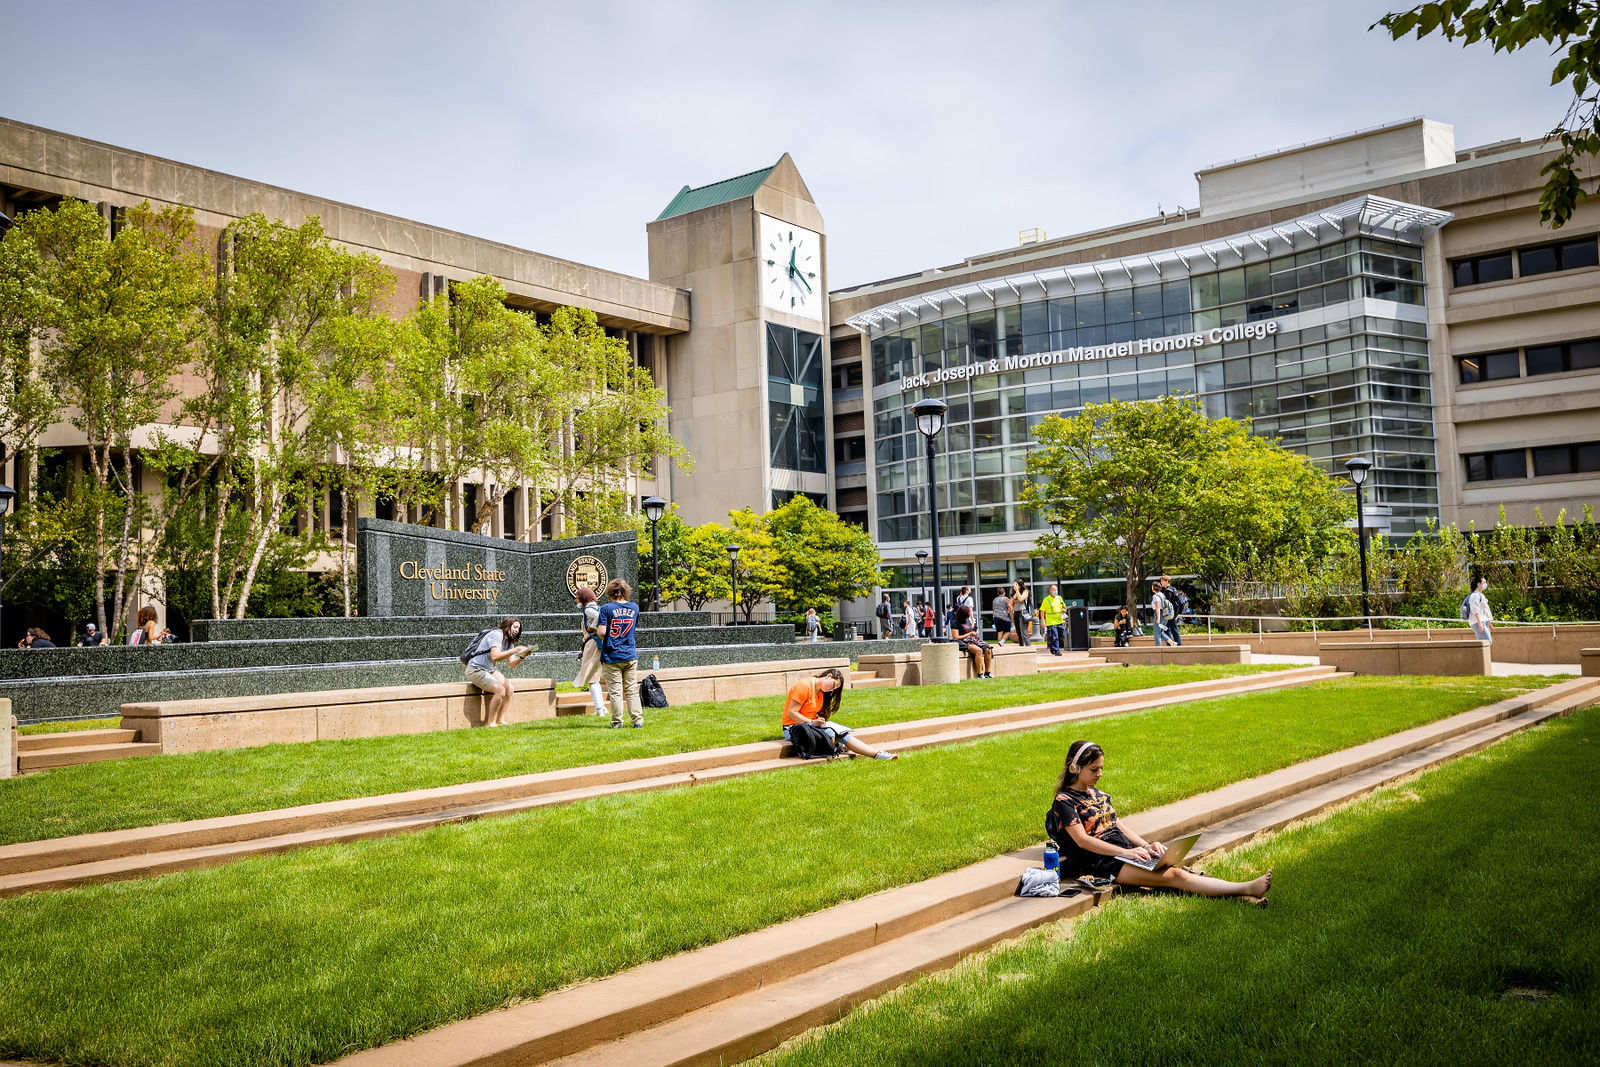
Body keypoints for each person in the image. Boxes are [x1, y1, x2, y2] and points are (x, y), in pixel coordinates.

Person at [1047, 739, 1272, 903]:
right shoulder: (1064, 801)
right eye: (1094, 769)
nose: (1100, 774)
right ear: (1075, 768)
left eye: (1101, 768)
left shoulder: (1097, 794)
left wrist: (1145, 846)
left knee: (1171, 870)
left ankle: (1243, 895)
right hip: (1103, 861)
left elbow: (1119, 825)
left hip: (1124, 851)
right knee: (1175, 875)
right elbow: (1083, 840)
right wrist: (1127, 853)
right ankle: (1247, 888)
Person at [781, 667, 898, 760]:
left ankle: (876, 754)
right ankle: (873, 753)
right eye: (833, 685)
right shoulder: (804, 686)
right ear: (828, 676)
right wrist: (812, 722)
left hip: (810, 725)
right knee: (831, 733)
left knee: (842, 733)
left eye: (834, 689)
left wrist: (818, 721)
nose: (831, 690)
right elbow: (791, 713)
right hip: (793, 728)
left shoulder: (821, 691)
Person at [465, 616, 533, 727]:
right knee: (500, 690)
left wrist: (522, 656)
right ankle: (490, 723)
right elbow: (495, 656)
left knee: (509, 688)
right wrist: (515, 650)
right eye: (515, 627)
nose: (517, 630)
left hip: (490, 670)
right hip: (475, 669)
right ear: (508, 625)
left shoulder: (509, 641)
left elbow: (511, 664)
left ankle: (500, 720)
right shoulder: (497, 634)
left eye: (519, 629)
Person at [597, 578, 644, 728]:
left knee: (616, 692)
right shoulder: (635, 607)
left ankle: (617, 722)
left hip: (611, 655)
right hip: (630, 653)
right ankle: (637, 721)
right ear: (626, 591)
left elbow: (602, 631)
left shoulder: (606, 608)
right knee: (631, 690)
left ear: (611, 592)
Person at [571, 587, 607, 716]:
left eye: (578, 597)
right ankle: (602, 707)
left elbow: (599, 617)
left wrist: (592, 627)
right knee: (596, 676)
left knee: (592, 677)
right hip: (598, 644)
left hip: (592, 644)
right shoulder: (598, 607)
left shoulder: (589, 609)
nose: (576, 600)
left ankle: (599, 709)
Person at [952, 605, 994, 678]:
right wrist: (969, 634)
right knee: (978, 650)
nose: (970, 613)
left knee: (988, 649)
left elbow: (970, 632)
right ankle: (980, 674)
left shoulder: (967, 621)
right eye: (968, 612)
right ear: (964, 613)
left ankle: (987, 672)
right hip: (963, 642)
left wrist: (974, 633)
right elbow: (956, 637)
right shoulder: (955, 623)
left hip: (972, 640)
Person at [1039, 584, 1067, 656]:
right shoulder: (1046, 600)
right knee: (1055, 637)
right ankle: (1057, 651)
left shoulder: (1059, 598)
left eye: (1056, 590)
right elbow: (1042, 611)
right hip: (1051, 622)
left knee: (1062, 635)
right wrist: (1042, 620)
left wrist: (1064, 610)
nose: (1055, 591)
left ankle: (1052, 645)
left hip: (1060, 620)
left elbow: (1064, 607)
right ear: (1050, 591)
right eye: (1053, 590)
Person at [1467, 576, 1494, 645]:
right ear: (1478, 584)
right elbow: (1475, 609)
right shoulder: (1475, 595)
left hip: (1482, 621)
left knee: (1486, 642)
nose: (1485, 584)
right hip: (1477, 621)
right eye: (1484, 582)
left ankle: (1479, 655)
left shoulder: (1481, 595)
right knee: (1487, 641)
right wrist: (1480, 622)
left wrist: (1488, 622)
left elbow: (1484, 611)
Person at [1159, 575, 1184, 646]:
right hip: (1174, 612)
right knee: (1168, 628)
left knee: (1172, 629)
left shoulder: (1168, 591)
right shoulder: (1173, 589)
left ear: (1166, 581)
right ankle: (1172, 644)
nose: (1161, 583)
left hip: (1170, 613)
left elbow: (1167, 602)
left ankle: (1177, 644)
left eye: (1162, 581)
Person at [1010, 580, 1033, 647]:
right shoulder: (1013, 593)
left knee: (1024, 634)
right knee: (1019, 633)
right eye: (1014, 584)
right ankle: (1021, 648)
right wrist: (1009, 603)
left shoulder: (1025, 592)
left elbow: (1020, 599)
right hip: (1016, 613)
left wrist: (1017, 590)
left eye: (1016, 584)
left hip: (1023, 613)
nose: (1014, 586)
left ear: (1020, 585)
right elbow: (1012, 606)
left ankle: (1028, 648)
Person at [1150, 582, 1173, 647]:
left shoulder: (1155, 596)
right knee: (1161, 632)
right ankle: (1172, 643)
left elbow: (1157, 607)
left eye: (1152, 586)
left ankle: (1158, 649)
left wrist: (1158, 618)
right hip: (1165, 614)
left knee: (1157, 634)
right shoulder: (1162, 594)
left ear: (1154, 587)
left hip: (1159, 614)